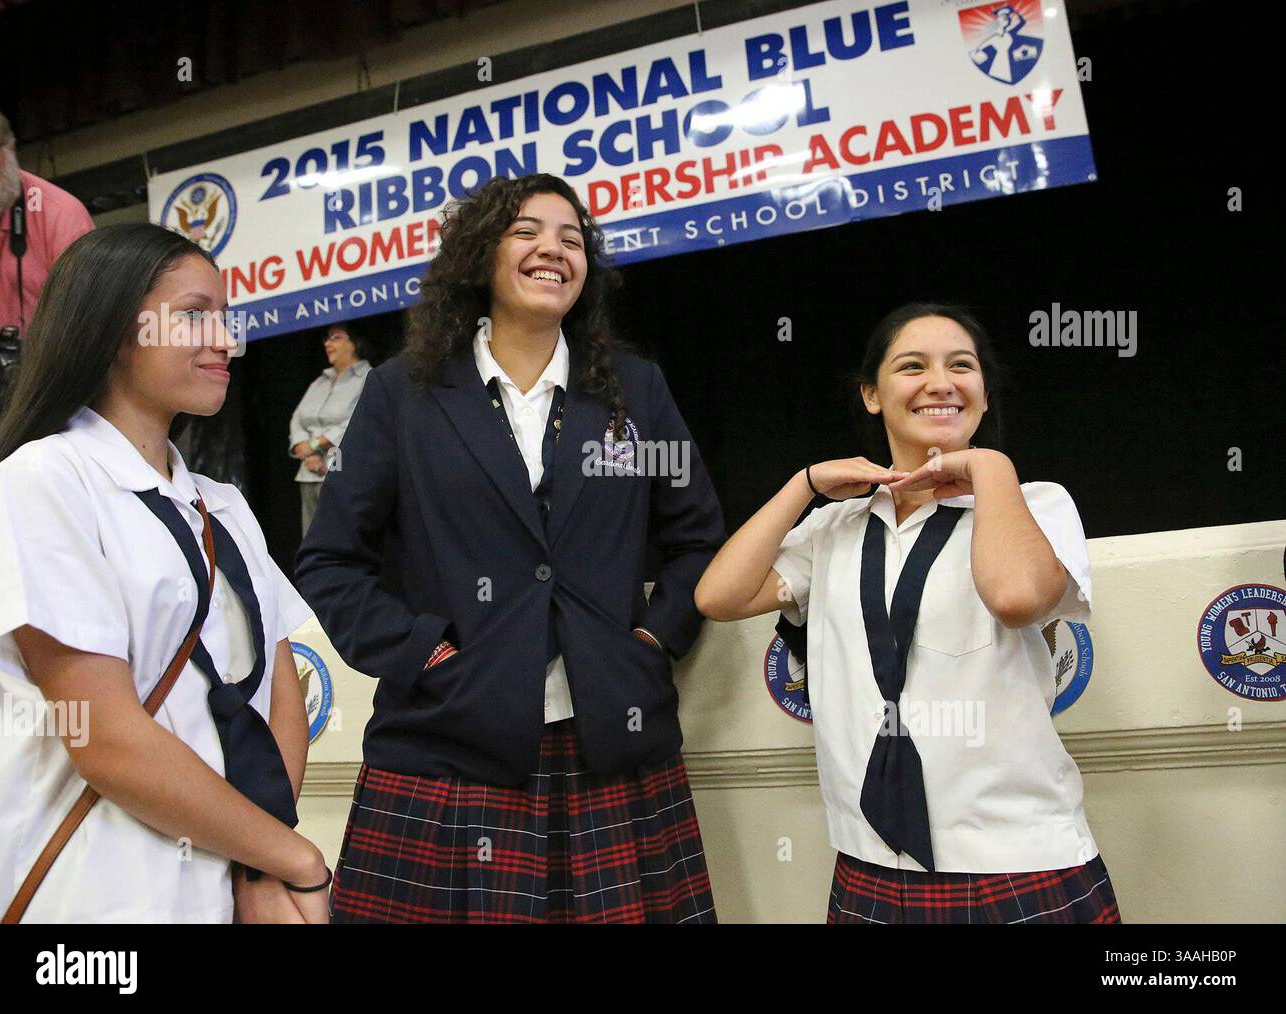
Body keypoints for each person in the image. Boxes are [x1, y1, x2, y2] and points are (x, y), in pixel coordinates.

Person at [296, 173, 726, 924]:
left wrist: (652, 643)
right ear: (479, 255)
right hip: (448, 744)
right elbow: (332, 561)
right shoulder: (407, 393)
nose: (552, 249)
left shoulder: (636, 391)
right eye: (526, 231)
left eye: (571, 237)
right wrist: (426, 654)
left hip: (611, 743)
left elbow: (698, 542)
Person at [695, 303, 1121, 924]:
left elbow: (1015, 597)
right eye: (912, 366)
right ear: (872, 394)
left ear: (982, 395)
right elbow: (718, 597)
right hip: (870, 857)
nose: (941, 382)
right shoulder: (836, 526)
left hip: (1014, 853)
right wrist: (804, 484)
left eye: (962, 367)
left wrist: (989, 468)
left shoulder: (1034, 505)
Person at [0, 223, 330, 923]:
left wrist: (257, 855)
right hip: (90, 894)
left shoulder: (224, 506)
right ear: (115, 328)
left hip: (219, 885)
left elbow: (277, 693)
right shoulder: (42, 481)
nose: (225, 340)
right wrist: (289, 857)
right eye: (195, 314)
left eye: (227, 318)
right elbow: (106, 738)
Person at [0, 104, 94, 376]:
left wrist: (20, 361)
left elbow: (90, 328)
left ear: (9, 148)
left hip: (47, 390)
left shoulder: (61, 215)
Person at [288, 324, 372, 535]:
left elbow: (358, 422)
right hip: (309, 472)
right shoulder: (319, 382)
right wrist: (307, 451)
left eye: (335, 338)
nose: (327, 343)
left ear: (354, 343)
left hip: (344, 472)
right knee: (311, 540)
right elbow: (297, 418)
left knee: (345, 538)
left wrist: (315, 445)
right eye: (327, 339)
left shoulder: (369, 378)